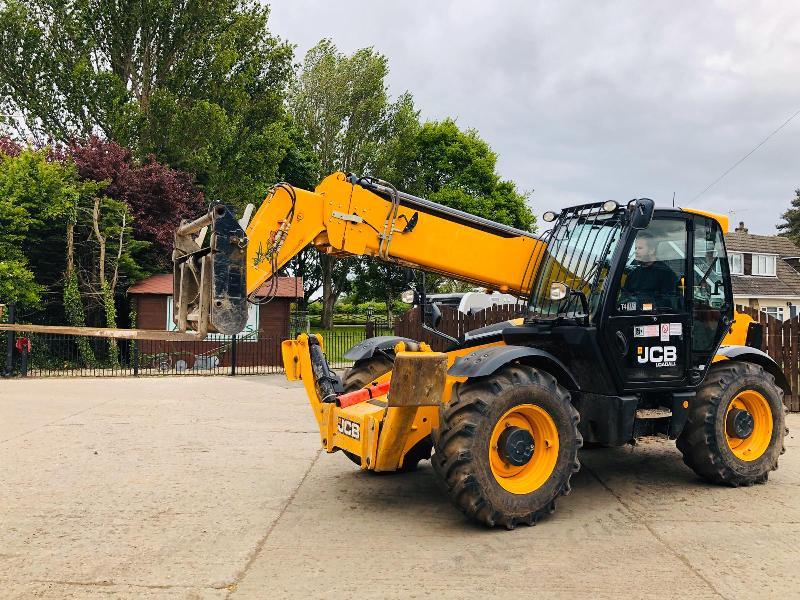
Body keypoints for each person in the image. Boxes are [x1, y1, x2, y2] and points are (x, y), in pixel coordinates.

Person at [621, 232, 678, 304]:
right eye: (635, 248)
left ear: (652, 250)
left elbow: (666, 303)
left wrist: (641, 306)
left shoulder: (666, 274)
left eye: (640, 248)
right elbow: (624, 298)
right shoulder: (632, 274)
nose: (636, 251)